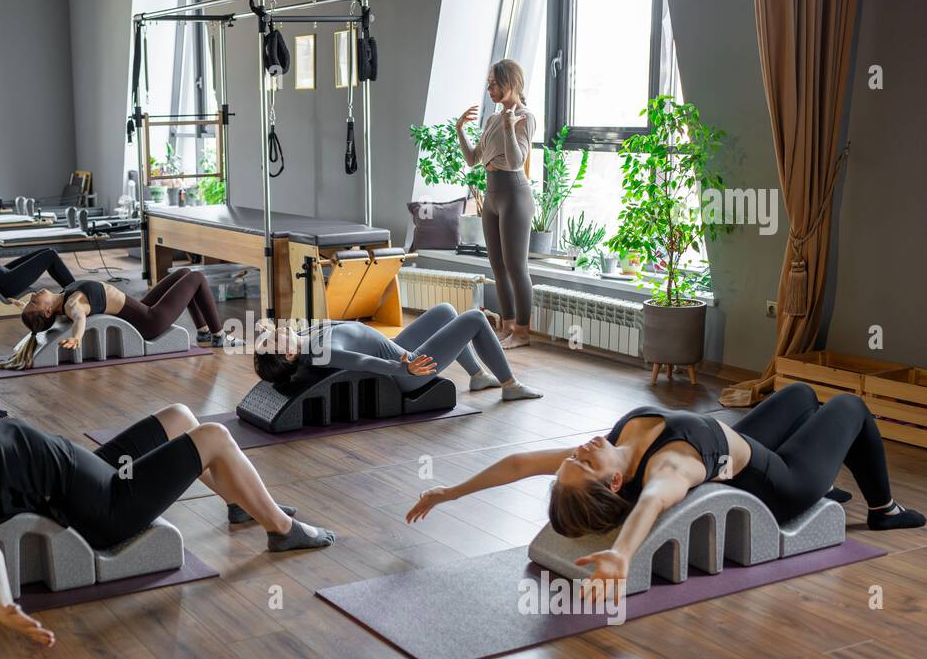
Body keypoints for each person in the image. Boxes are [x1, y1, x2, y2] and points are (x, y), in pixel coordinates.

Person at [0, 406, 335, 644]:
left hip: (90, 466)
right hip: (104, 506)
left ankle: (239, 503)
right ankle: (281, 529)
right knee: (214, 436)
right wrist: (6, 609)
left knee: (181, 416)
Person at [405, 383, 924, 586]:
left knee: (803, 396)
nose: (577, 452)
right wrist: (623, 555)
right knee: (849, 407)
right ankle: (884, 507)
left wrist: (448, 492)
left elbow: (519, 463)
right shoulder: (666, 469)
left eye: (572, 460)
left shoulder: (610, 453)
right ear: (612, 479)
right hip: (778, 486)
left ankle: (827, 485)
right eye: (581, 464)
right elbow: (652, 503)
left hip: (739, 449)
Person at [252, 302, 542, 400]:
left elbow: (270, 333)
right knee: (474, 318)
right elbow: (362, 360)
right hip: (408, 370)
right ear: (288, 354)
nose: (273, 332)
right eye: (273, 340)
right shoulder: (323, 351)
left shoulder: (301, 338)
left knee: (446, 311)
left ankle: (478, 375)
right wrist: (405, 368)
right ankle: (510, 384)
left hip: (397, 349)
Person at [0, 267, 235, 368]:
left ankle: (203, 331)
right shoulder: (71, 304)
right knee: (197, 278)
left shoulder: (60, 299)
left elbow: (33, 305)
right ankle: (218, 335)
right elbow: (80, 319)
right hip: (150, 322)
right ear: (48, 311)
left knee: (183, 273)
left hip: (141, 309)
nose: (34, 295)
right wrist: (77, 338)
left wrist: (20, 304)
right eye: (35, 302)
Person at [456, 58, 536, 349]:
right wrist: (460, 130)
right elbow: (473, 159)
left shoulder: (525, 117)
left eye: (494, 83)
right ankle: (508, 326)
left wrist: (510, 127)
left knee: (517, 267)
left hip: (514, 196)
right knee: (497, 266)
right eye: (488, 84)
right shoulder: (492, 119)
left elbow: (516, 162)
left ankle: (523, 333)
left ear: (510, 83)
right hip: (491, 197)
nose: (489, 89)